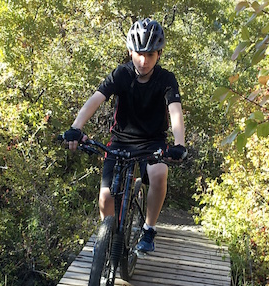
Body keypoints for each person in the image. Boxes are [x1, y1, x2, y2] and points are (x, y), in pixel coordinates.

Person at [63, 18, 187, 254]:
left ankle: (149, 228)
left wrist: (179, 144)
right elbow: (96, 99)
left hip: (152, 142)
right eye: (139, 53)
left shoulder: (166, 79)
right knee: (105, 198)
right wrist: (76, 127)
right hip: (120, 141)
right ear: (130, 51)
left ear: (159, 54)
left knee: (159, 172)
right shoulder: (122, 74)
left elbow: (175, 113)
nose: (144, 60)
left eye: (150, 54)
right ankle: (108, 242)